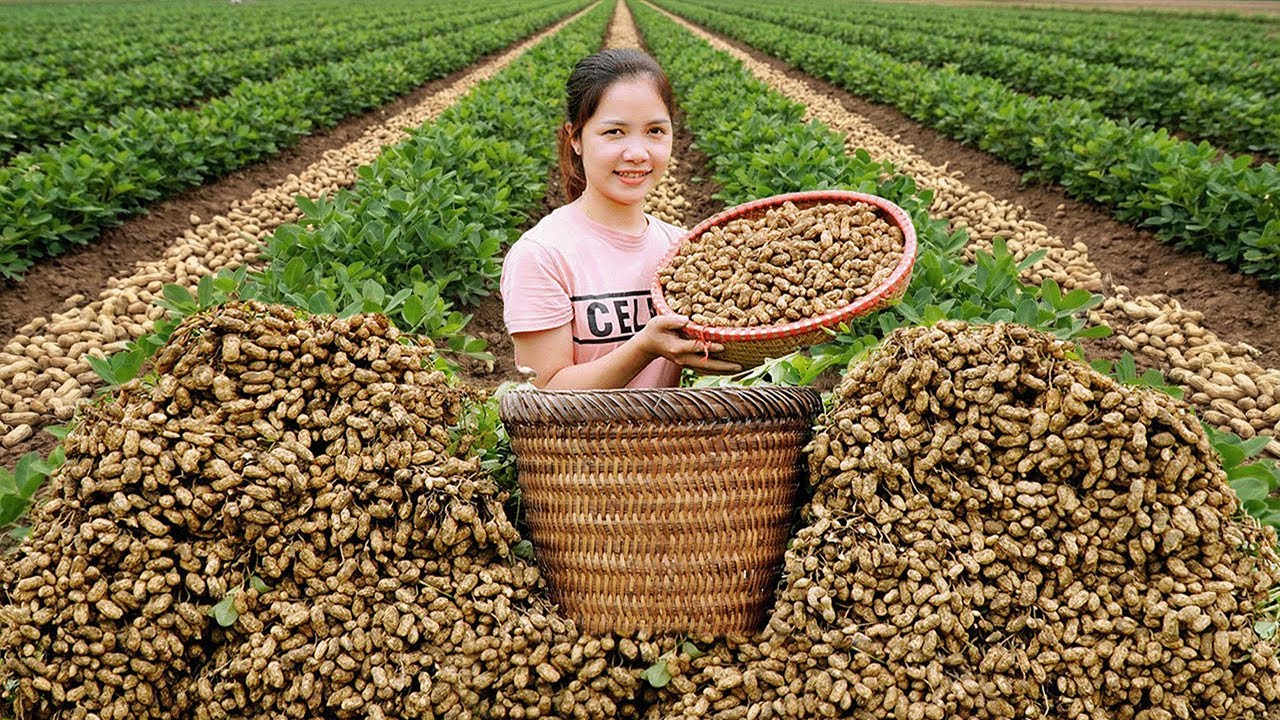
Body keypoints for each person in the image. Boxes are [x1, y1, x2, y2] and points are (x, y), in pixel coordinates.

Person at [500, 49, 740, 390]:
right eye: (615, 132)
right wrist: (643, 348)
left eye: (655, 131)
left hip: (675, 442)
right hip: (575, 444)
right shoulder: (542, 254)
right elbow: (547, 394)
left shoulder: (683, 251)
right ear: (576, 138)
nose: (638, 153)